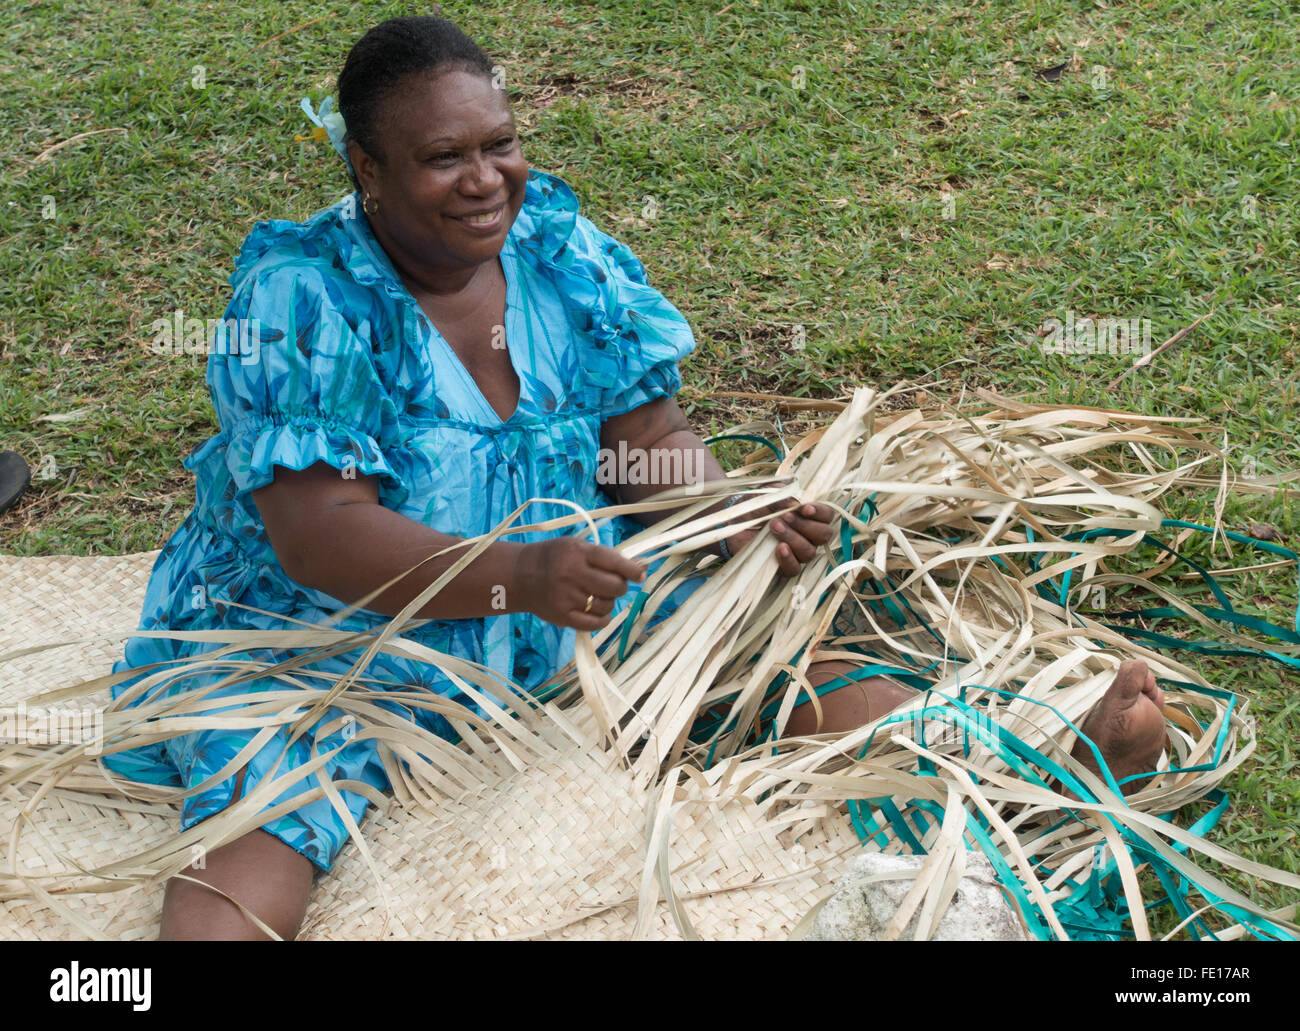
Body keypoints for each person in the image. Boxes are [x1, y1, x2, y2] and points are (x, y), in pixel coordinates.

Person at [105, 16, 1166, 941]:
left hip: (557, 583)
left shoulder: (559, 254)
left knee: (766, 657)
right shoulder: (302, 296)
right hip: (328, 633)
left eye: (500, 144)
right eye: (442, 158)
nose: (486, 180)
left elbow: (639, 438)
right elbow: (320, 530)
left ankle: (1038, 782)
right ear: (367, 170)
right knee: (271, 821)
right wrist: (518, 573)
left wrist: (722, 511)